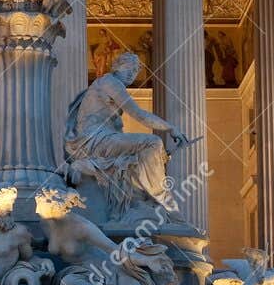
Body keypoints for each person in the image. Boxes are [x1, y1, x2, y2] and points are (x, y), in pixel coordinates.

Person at [34, 188, 212, 285]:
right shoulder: (46, 222)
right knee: (68, 283)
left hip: (109, 268)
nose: (36, 209)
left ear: (56, 206)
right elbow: (42, 245)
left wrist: (146, 261)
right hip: (80, 273)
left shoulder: (82, 227)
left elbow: (115, 250)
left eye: (40, 205)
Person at [63, 51, 185, 215]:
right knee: (153, 142)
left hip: (100, 139)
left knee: (145, 154)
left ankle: (147, 199)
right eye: (130, 68)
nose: (133, 74)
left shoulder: (106, 84)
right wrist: (170, 128)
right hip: (96, 141)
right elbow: (139, 114)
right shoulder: (110, 82)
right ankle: (161, 199)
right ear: (117, 66)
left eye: (136, 71)